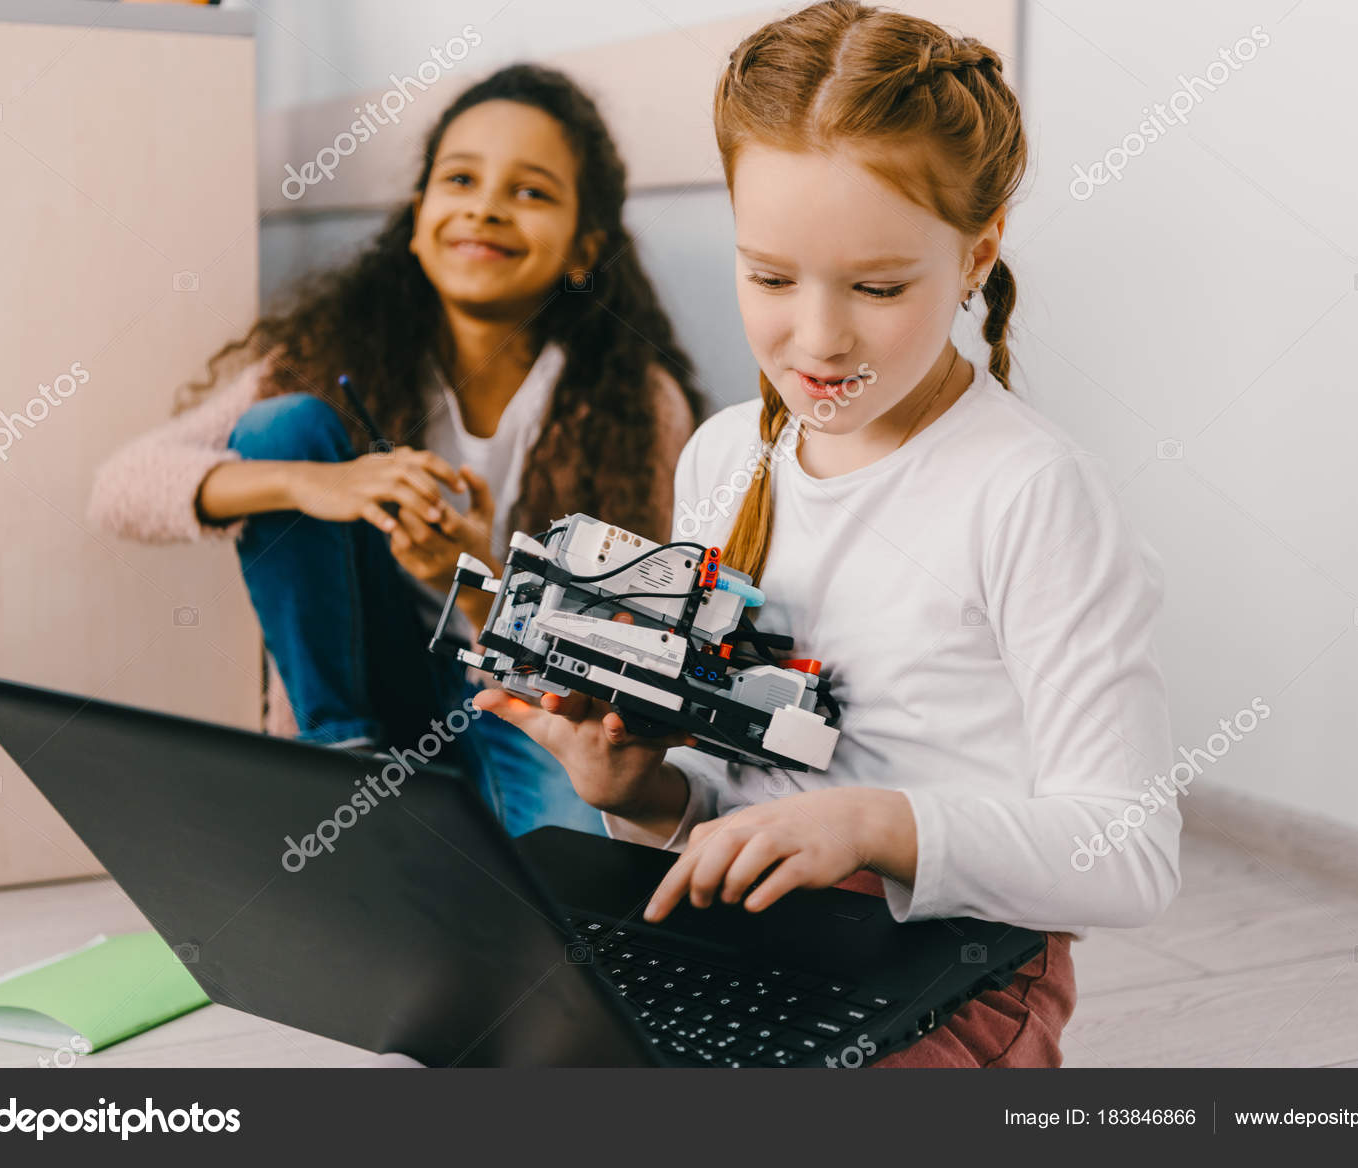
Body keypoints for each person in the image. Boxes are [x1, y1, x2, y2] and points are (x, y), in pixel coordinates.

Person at [472, 1, 1181, 1064]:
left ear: (975, 254)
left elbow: (1131, 851)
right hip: (752, 938)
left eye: (879, 286)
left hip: (958, 974)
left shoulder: (1029, 491)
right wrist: (644, 794)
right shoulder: (724, 458)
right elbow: (743, 794)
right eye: (767, 276)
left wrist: (873, 823)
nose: (816, 337)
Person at [87, 64, 702, 838]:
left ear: (585, 249)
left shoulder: (636, 405)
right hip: (362, 695)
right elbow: (120, 486)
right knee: (282, 429)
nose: (485, 206)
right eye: (461, 179)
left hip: (515, 702)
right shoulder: (330, 350)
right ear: (418, 220)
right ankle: (333, 751)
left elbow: (634, 638)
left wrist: (477, 585)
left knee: (568, 884)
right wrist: (315, 483)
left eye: (531, 191)